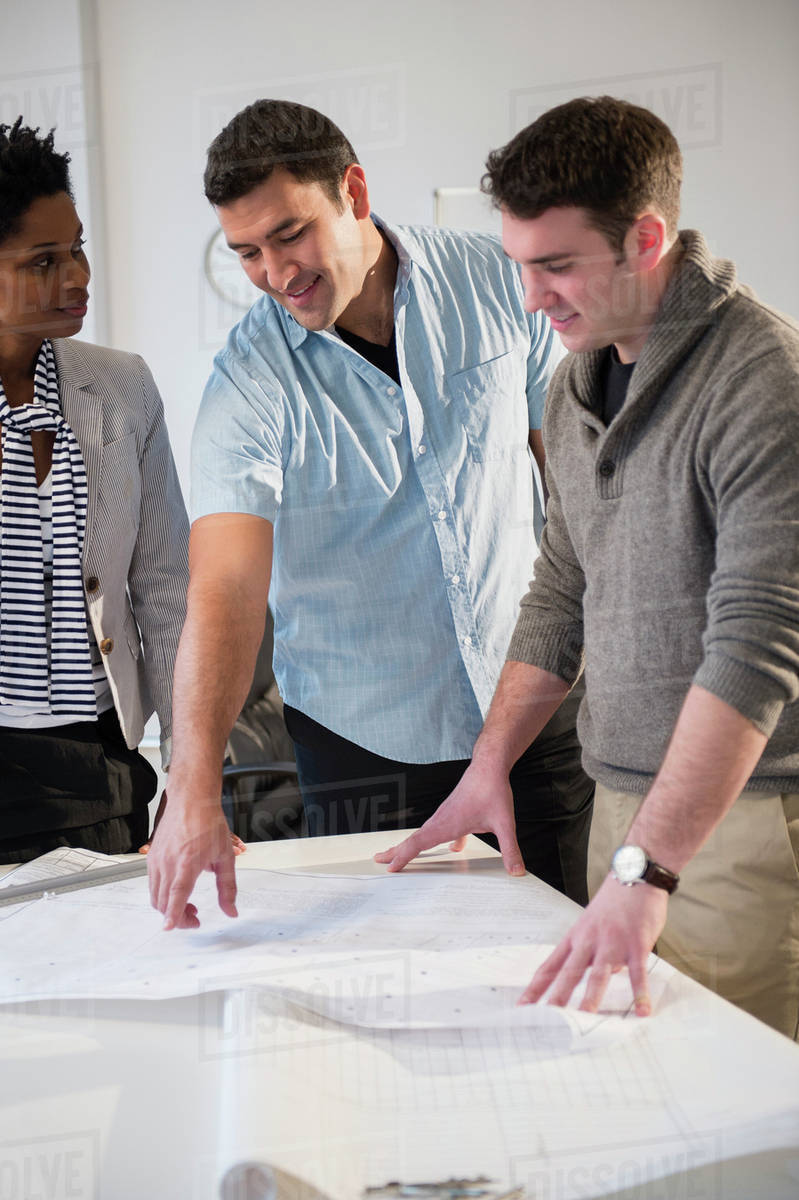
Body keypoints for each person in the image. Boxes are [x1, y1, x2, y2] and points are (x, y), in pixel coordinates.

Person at [376, 96, 799, 1040]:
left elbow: (755, 644)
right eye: (521, 265)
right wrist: (490, 762)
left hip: (741, 823)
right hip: (620, 807)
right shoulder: (575, 381)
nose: (532, 298)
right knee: (633, 1080)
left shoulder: (762, 377)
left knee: (740, 1099)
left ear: (644, 239)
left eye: (556, 265)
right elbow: (561, 588)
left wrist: (650, 867)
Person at [146, 99, 594, 931]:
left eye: (289, 235)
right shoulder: (249, 382)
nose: (275, 273)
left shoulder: (498, 283)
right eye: (246, 252)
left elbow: (571, 485)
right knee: (387, 972)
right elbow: (226, 587)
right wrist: (193, 784)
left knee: (560, 951)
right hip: (365, 749)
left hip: (535, 707)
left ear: (352, 191)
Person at [0, 119, 190, 861]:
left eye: (77, 248)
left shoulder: (122, 386)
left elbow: (165, 589)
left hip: (102, 766)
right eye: (44, 261)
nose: (78, 276)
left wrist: (191, 772)